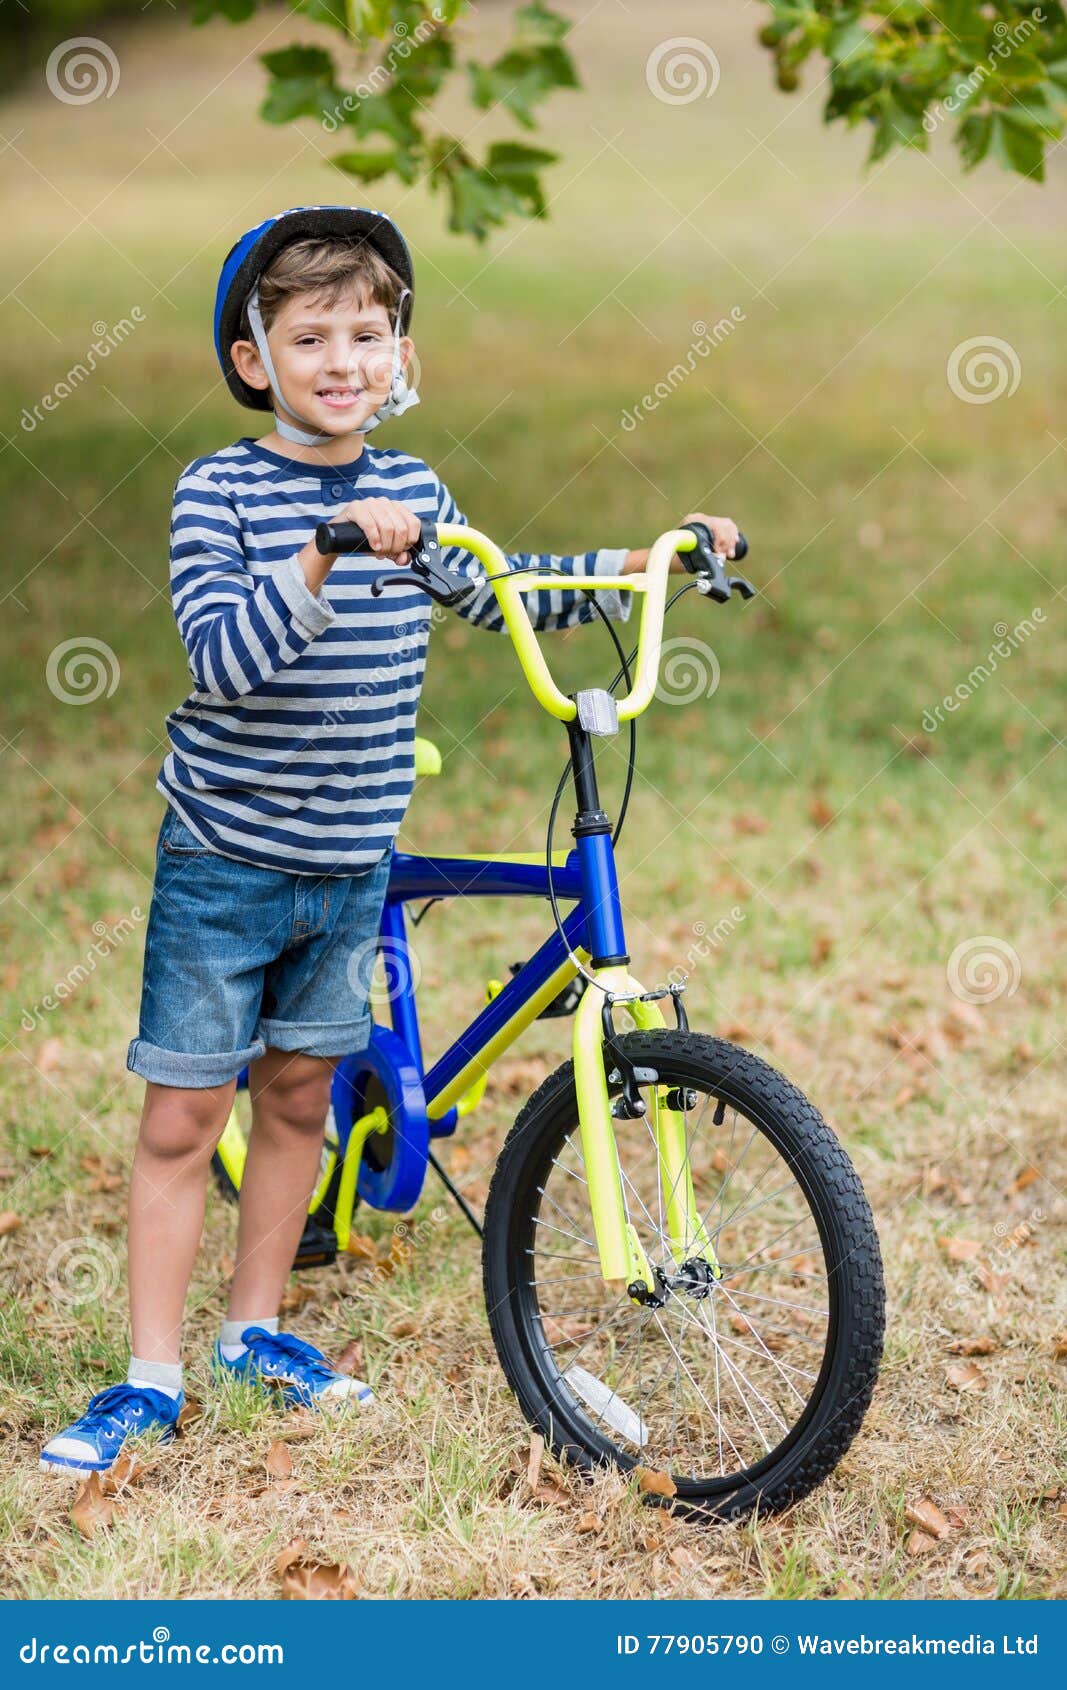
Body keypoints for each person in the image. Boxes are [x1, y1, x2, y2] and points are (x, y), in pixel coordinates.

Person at [40, 205, 739, 1477]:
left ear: (400, 355)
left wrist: (650, 560)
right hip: (227, 857)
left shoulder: (413, 488)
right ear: (255, 359)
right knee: (187, 1114)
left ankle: (256, 1330)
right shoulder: (225, 491)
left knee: (300, 1093)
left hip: (352, 854)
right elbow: (223, 659)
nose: (344, 360)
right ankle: (149, 1370)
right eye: (311, 337)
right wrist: (319, 551)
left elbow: (502, 584)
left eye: (370, 334)